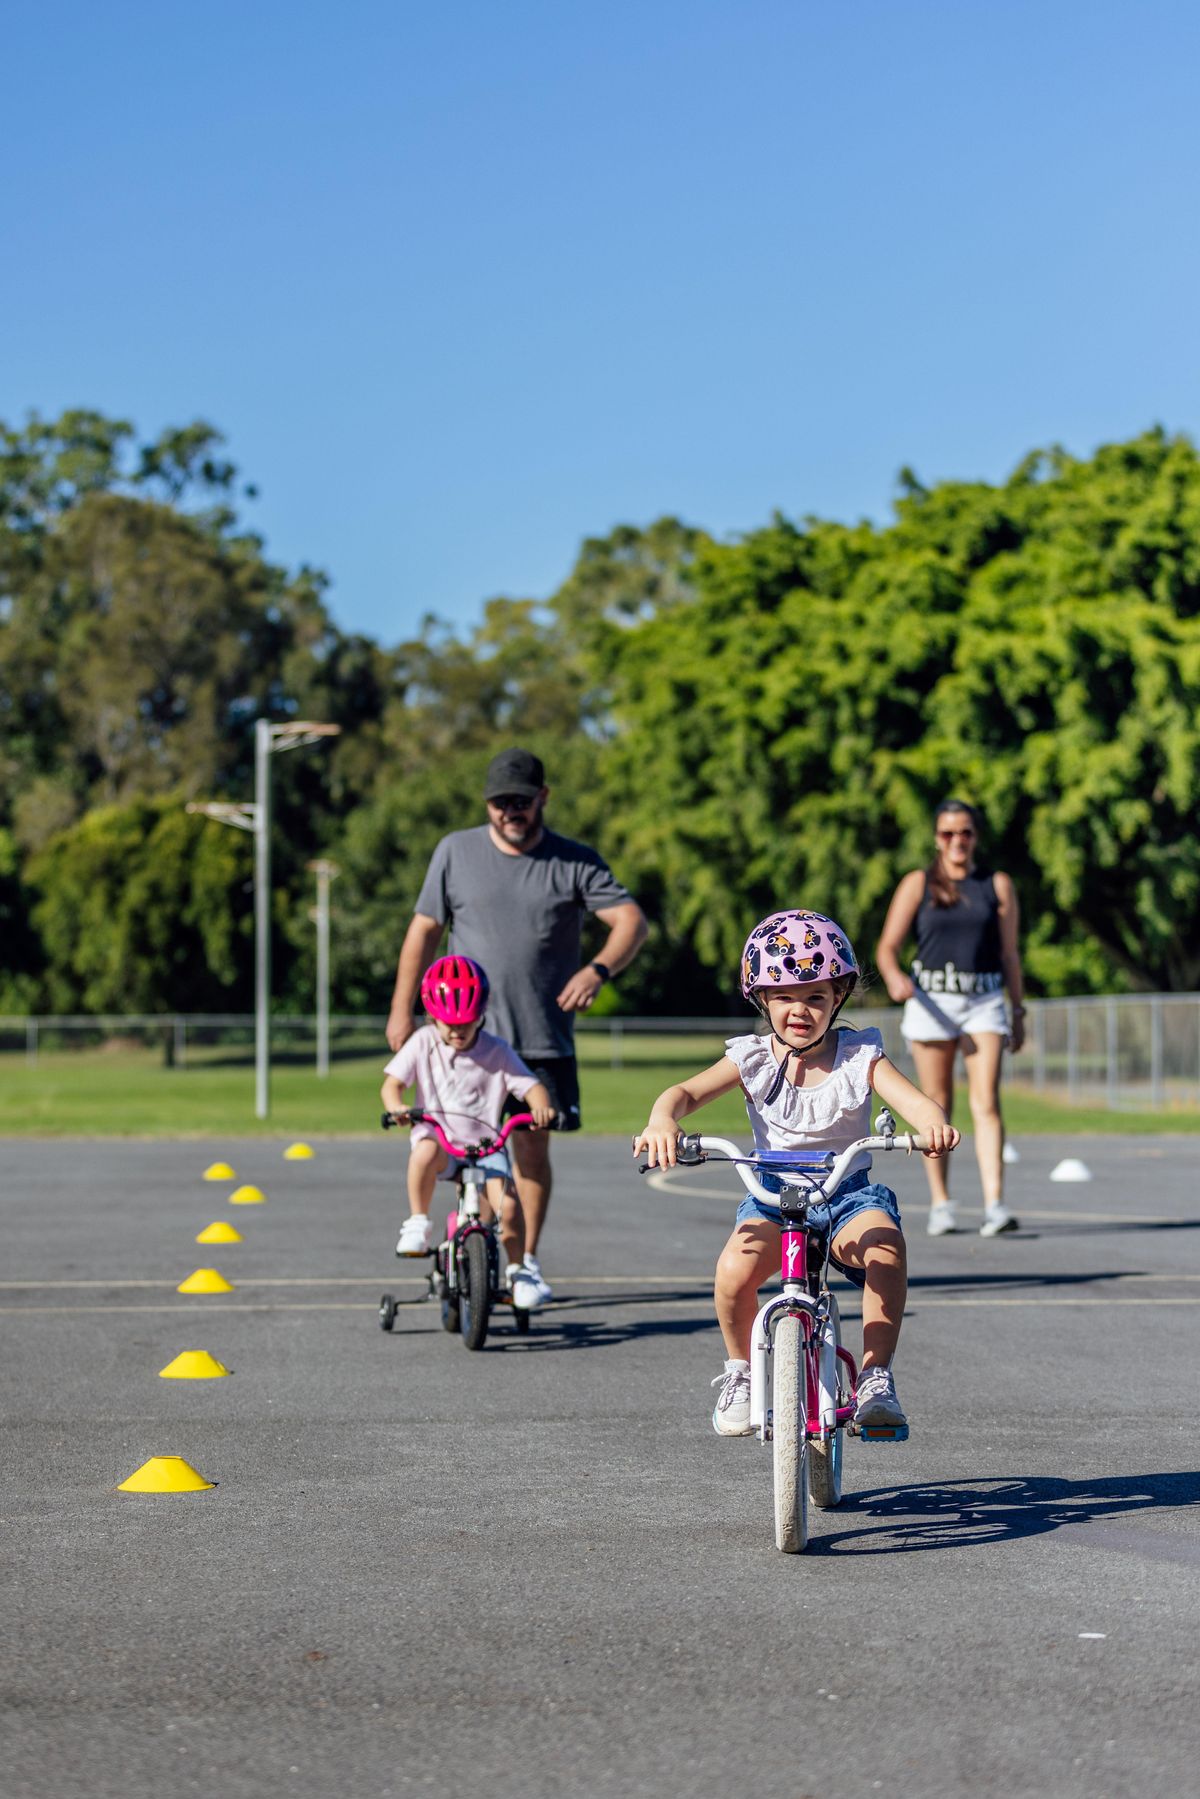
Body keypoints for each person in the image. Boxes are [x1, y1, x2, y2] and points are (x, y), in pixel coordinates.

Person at [633, 911, 958, 1440]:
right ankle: (739, 1371)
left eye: (815, 996)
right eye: (783, 996)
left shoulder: (860, 1057)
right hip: (771, 1198)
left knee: (884, 1248)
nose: (799, 1010)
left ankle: (876, 1377)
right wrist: (662, 1120)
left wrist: (933, 1125)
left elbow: (917, 1103)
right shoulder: (753, 1058)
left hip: (846, 1195)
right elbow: (683, 1094)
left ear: (839, 997)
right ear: (762, 999)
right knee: (734, 1272)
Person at [386, 747, 648, 1305]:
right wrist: (400, 1009)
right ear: (487, 804)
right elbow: (424, 932)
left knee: (529, 1155)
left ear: (542, 799)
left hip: (538, 1041)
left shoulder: (574, 860)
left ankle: (522, 1263)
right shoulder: (454, 852)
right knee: (454, 1148)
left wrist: (598, 969)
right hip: (464, 1042)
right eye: (500, 803)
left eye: (522, 802)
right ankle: (469, 1251)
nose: (511, 812)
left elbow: (630, 921)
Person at [875, 797, 1026, 1238]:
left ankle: (995, 1204)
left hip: (983, 1000)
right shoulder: (917, 883)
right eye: (947, 833)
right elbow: (887, 947)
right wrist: (893, 975)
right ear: (936, 838)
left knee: (987, 1102)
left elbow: (1010, 953)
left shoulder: (996, 885)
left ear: (976, 837)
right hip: (930, 1002)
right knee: (937, 1104)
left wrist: (1017, 1011)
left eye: (965, 833)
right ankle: (941, 1203)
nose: (957, 841)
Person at [382, 954, 557, 1311]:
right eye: (448, 1023)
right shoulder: (423, 1042)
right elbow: (391, 1085)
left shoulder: (497, 1050)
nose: (458, 1031)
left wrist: (541, 1105)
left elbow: (530, 1085)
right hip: (442, 1142)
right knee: (423, 1152)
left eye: (467, 1022)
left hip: (487, 1146)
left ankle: (518, 1271)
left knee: (508, 1207)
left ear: (481, 1014)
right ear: (432, 1016)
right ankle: (418, 1221)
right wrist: (396, 1106)